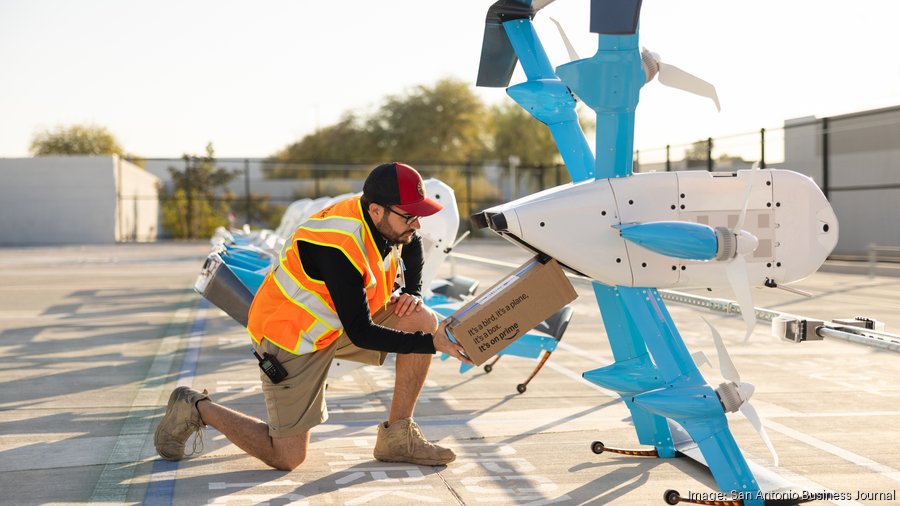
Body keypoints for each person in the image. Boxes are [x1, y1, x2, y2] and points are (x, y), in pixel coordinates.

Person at [154, 162, 471, 471]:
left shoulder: (384, 220)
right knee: (287, 457)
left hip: (333, 325)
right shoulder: (338, 247)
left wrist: (412, 292)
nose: (416, 225)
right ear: (377, 210)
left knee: (420, 317)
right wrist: (434, 344)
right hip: (291, 338)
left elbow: (412, 243)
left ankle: (397, 438)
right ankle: (196, 407)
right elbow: (361, 332)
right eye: (409, 216)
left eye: (419, 216)